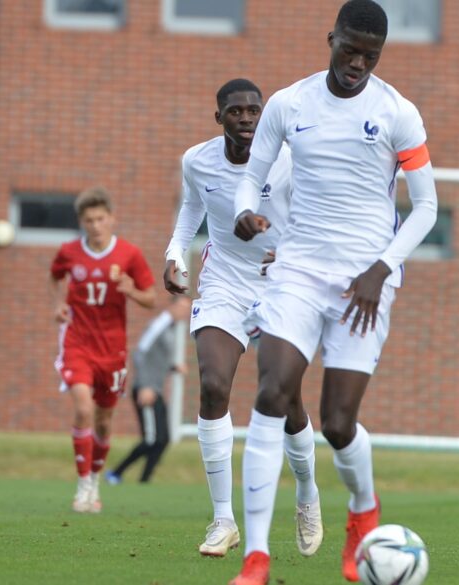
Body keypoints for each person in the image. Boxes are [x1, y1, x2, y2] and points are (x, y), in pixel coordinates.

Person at [228, 2, 440, 582]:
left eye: (370, 56)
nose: (357, 63)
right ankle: (255, 557)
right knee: (272, 392)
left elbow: (426, 209)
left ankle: (361, 510)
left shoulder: (398, 113)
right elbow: (253, 171)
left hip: (364, 284)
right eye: (349, 50)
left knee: (338, 423)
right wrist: (245, 209)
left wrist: (382, 267)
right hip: (297, 271)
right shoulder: (289, 103)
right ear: (332, 38)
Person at [163, 78, 324, 559]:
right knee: (213, 384)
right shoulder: (197, 160)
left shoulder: (288, 159)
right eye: (236, 111)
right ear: (220, 118)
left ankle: (307, 494)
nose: (248, 118)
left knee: (284, 395)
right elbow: (192, 209)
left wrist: (293, 253)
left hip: (281, 284)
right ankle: (223, 520)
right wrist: (175, 254)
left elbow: (317, 213)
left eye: (255, 110)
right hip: (225, 283)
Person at [50, 187, 156, 513]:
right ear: (81, 222)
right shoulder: (70, 252)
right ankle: (83, 485)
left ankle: (95, 478)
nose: (95, 225)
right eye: (89, 220)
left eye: (100, 219)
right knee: (83, 408)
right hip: (77, 343)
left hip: (112, 350)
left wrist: (130, 290)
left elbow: (151, 298)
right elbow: (56, 274)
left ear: (112, 219)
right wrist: (59, 303)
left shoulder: (129, 254)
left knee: (104, 420)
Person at [106, 296, 191, 484]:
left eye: (188, 309)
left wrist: (173, 367)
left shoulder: (171, 328)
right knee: (151, 439)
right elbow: (140, 353)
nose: (185, 313)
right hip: (146, 390)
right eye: (182, 307)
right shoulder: (159, 324)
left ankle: (145, 481)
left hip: (156, 390)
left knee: (164, 439)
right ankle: (116, 473)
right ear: (172, 306)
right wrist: (145, 386)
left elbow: (156, 357)